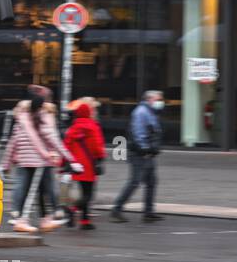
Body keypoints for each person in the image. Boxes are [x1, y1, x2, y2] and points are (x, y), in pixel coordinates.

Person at [0, 84, 82, 233]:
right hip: (40, 161)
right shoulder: (43, 118)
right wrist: (70, 159)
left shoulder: (21, 120)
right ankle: (41, 217)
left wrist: (6, 164)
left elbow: (12, 143)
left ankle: (23, 217)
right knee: (43, 190)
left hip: (25, 161)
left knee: (25, 189)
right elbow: (52, 140)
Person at [110, 90, 165, 223]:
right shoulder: (141, 112)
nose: (161, 102)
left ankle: (148, 212)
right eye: (159, 99)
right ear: (150, 99)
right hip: (140, 154)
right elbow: (138, 132)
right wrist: (145, 150)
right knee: (134, 182)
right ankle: (116, 209)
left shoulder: (150, 111)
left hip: (148, 154)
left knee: (151, 182)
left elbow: (153, 131)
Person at [64, 99, 106, 229]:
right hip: (89, 164)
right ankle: (72, 210)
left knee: (83, 192)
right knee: (88, 194)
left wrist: (64, 163)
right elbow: (97, 145)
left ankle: (85, 221)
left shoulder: (72, 128)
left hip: (76, 166)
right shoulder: (93, 126)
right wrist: (101, 157)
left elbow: (66, 146)